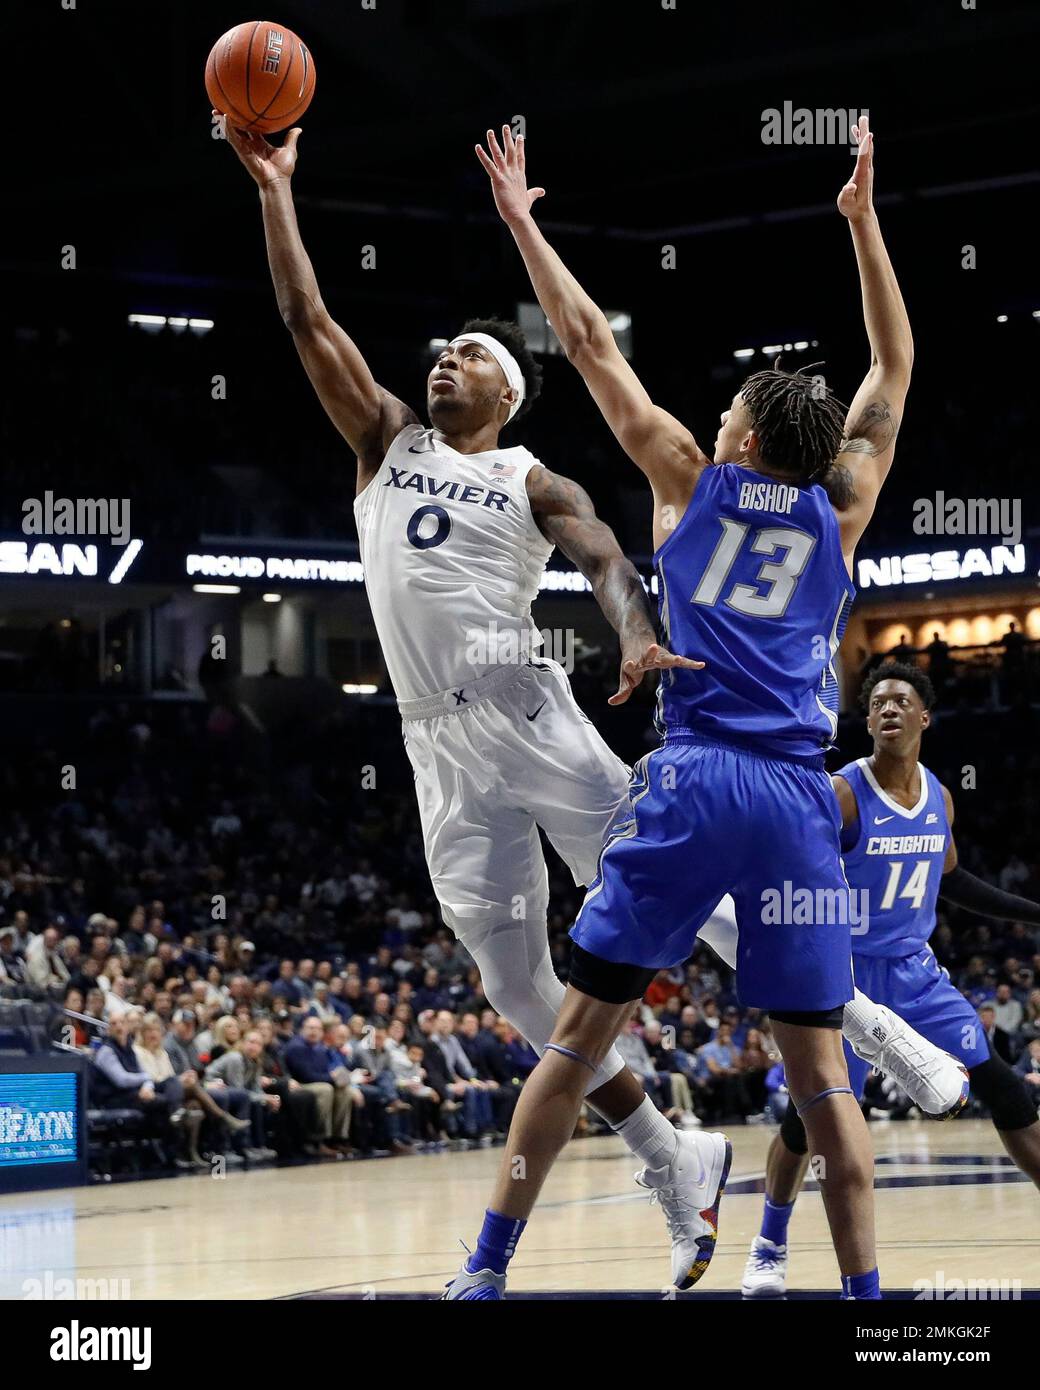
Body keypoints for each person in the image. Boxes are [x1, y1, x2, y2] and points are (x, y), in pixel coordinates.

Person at [447, 114, 912, 1301]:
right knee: (818, 1083)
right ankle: (868, 1308)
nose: (709, 427)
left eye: (724, 421)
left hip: (695, 778)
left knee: (575, 1039)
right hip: (798, 794)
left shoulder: (681, 478)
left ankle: (483, 1278)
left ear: (744, 435)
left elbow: (586, 340)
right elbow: (890, 373)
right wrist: (862, 226)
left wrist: (522, 226)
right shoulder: (841, 503)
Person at [742, 663, 1040, 1295]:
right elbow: (788, 869)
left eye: (902, 701)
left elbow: (953, 878)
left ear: (924, 718)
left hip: (914, 971)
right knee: (810, 1123)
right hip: (843, 974)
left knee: (1005, 1090)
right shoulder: (843, 792)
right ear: (867, 719)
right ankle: (769, 1242)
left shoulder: (942, 795)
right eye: (876, 702)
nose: (888, 709)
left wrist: (1032, 912)